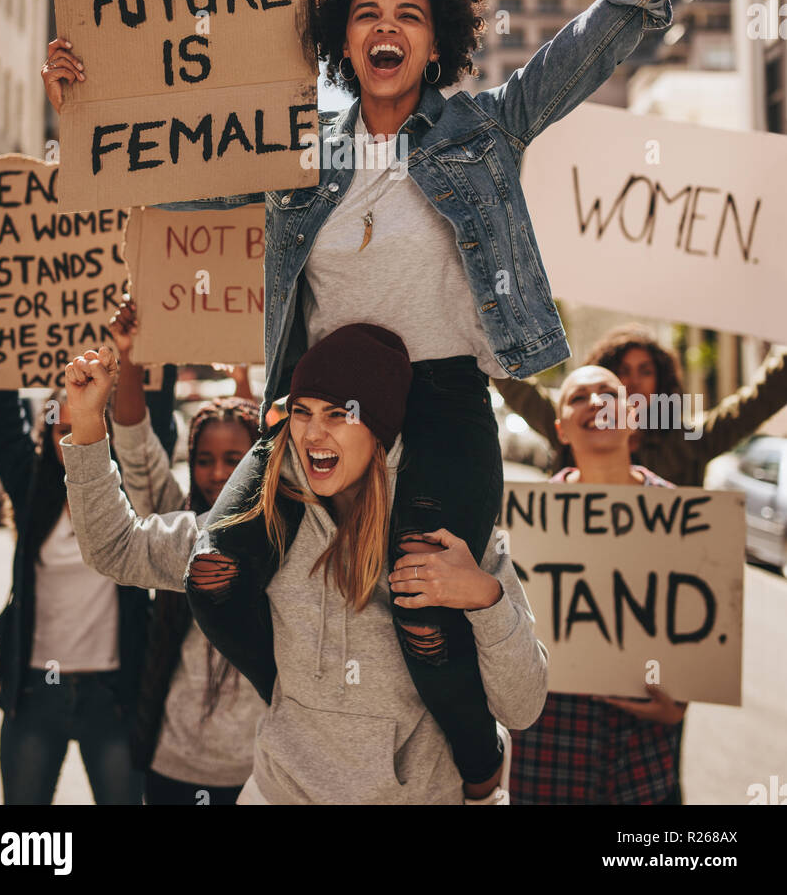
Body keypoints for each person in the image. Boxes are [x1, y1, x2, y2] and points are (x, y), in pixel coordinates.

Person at [43, 0, 769, 795]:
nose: (387, 29)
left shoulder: (486, 130)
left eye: (410, 16)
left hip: (440, 402)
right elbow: (178, 184)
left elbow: (594, 40)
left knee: (422, 604)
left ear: (439, 42)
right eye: (368, 14)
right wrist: (84, 109)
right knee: (218, 572)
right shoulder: (295, 149)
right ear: (343, 36)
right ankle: (301, 705)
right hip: (315, 411)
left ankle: (474, 760)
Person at [59, 325, 548, 806]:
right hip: (279, 793)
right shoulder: (260, 524)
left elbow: (522, 707)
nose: (314, 432)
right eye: (302, 412)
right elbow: (114, 548)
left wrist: (487, 597)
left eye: (338, 414)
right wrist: (86, 425)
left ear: (379, 426)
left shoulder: (449, 541)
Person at [0, 277, 173, 805]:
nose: (70, 430)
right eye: (60, 421)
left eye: (83, 416)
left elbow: (154, 428)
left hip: (113, 697)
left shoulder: (120, 488)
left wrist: (142, 351)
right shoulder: (32, 490)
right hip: (36, 694)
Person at [106, 299, 266, 805]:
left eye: (232, 460)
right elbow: (134, 444)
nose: (218, 473)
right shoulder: (178, 529)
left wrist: (243, 378)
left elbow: (263, 443)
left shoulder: (281, 540)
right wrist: (127, 357)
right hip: (173, 767)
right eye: (203, 460)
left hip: (261, 775)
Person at [508, 363, 686, 806]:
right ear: (561, 429)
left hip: (641, 760)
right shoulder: (527, 519)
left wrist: (678, 704)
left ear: (633, 415)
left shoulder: (682, 515)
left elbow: (694, 632)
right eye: (578, 397)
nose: (595, 404)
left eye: (608, 393)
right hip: (547, 753)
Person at [495, 322, 787, 486]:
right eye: (623, 370)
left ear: (662, 382)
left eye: (645, 371)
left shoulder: (691, 440)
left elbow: (759, 402)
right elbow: (515, 386)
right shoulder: (578, 422)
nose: (633, 381)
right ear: (563, 431)